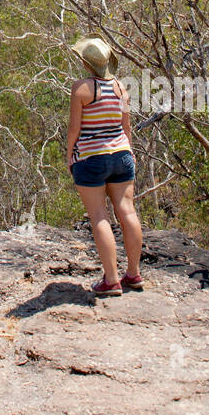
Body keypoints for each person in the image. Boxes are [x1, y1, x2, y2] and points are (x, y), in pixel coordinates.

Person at [66, 36, 143, 297]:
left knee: (100, 216)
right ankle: (133, 274)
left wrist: (70, 156)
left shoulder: (81, 89)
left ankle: (111, 280)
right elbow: (126, 127)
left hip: (91, 157)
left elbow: (74, 129)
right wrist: (130, 151)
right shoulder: (121, 88)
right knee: (128, 212)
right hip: (121, 155)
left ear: (86, 63)